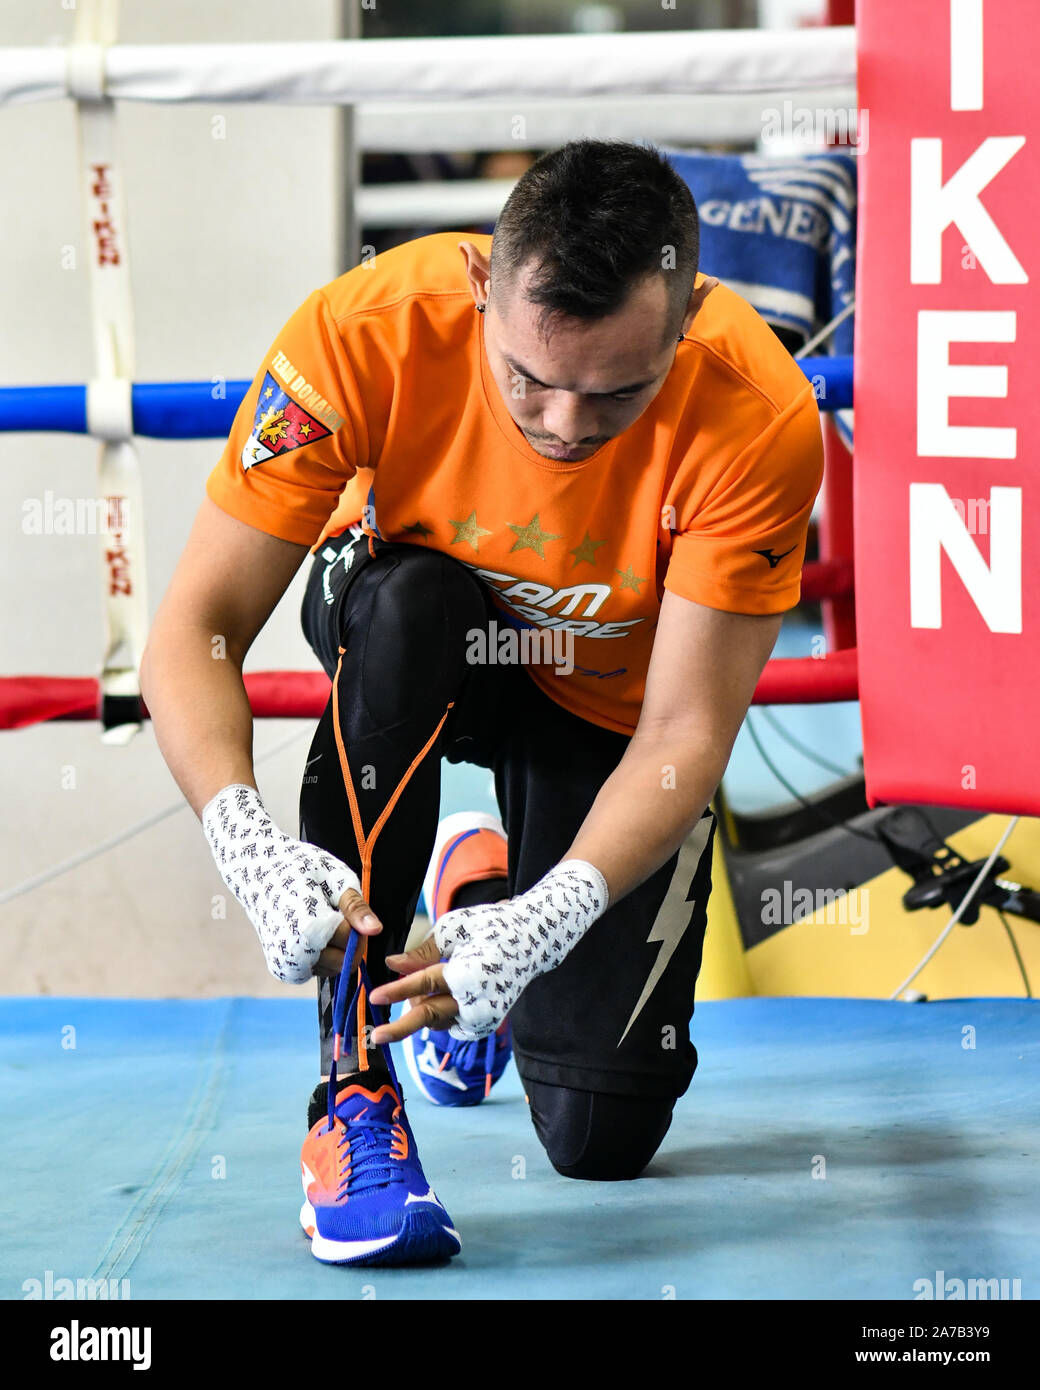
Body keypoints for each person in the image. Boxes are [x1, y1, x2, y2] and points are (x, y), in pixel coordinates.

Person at [139, 139, 824, 1268]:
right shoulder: (363, 332)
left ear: (688, 314)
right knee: (408, 607)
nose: (563, 421)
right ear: (477, 290)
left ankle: (486, 890)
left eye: (615, 389)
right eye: (526, 377)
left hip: (611, 711)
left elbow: (686, 732)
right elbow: (195, 629)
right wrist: (242, 836)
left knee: (600, 1136)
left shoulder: (756, 414)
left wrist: (541, 919)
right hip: (426, 641)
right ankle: (352, 1097)